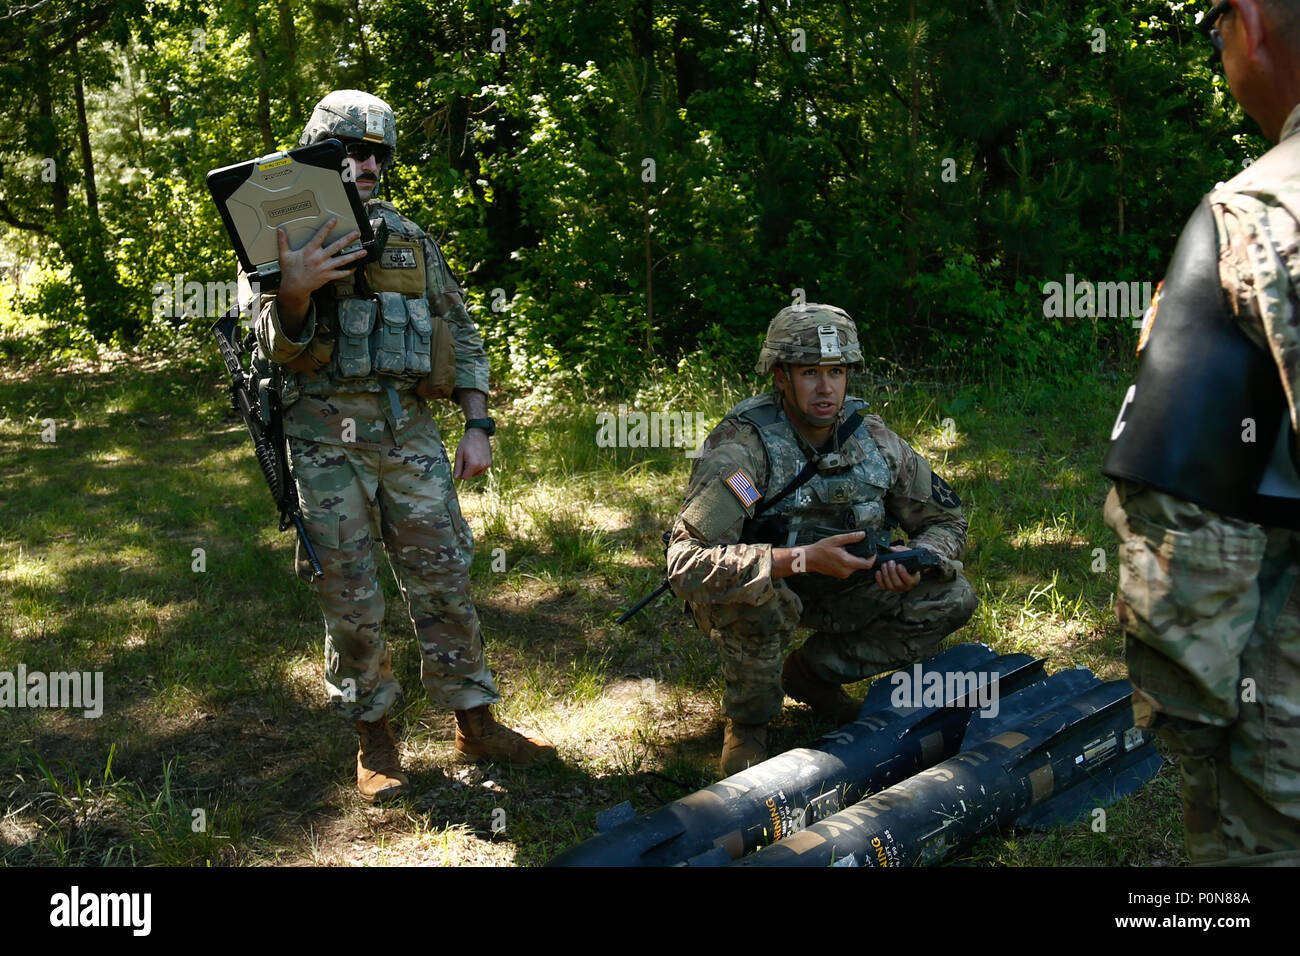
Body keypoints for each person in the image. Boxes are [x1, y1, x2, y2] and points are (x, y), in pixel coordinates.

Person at [249, 90, 554, 802]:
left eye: (377, 153)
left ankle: (475, 721)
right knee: (350, 593)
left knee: (445, 574)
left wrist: (478, 423)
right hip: (324, 438)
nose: (365, 164)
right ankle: (375, 737)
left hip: (408, 430)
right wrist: (293, 294)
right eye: (350, 152)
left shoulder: (411, 238)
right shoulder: (276, 237)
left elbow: (462, 330)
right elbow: (272, 344)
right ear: (318, 158)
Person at [1102, 0, 1300, 864]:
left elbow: (1179, 531)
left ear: (1249, 24)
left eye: (1215, 22)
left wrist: (1193, 726)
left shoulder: (1258, 212)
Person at [665, 304, 978, 775]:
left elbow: (948, 521)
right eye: (810, 372)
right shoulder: (743, 450)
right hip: (773, 587)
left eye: (836, 372)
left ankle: (811, 677)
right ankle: (749, 722)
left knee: (950, 593)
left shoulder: (875, 441)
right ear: (780, 376)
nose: (826, 387)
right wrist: (799, 560)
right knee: (762, 598)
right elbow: (686, 562)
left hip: (846, 585)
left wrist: (914, 559)